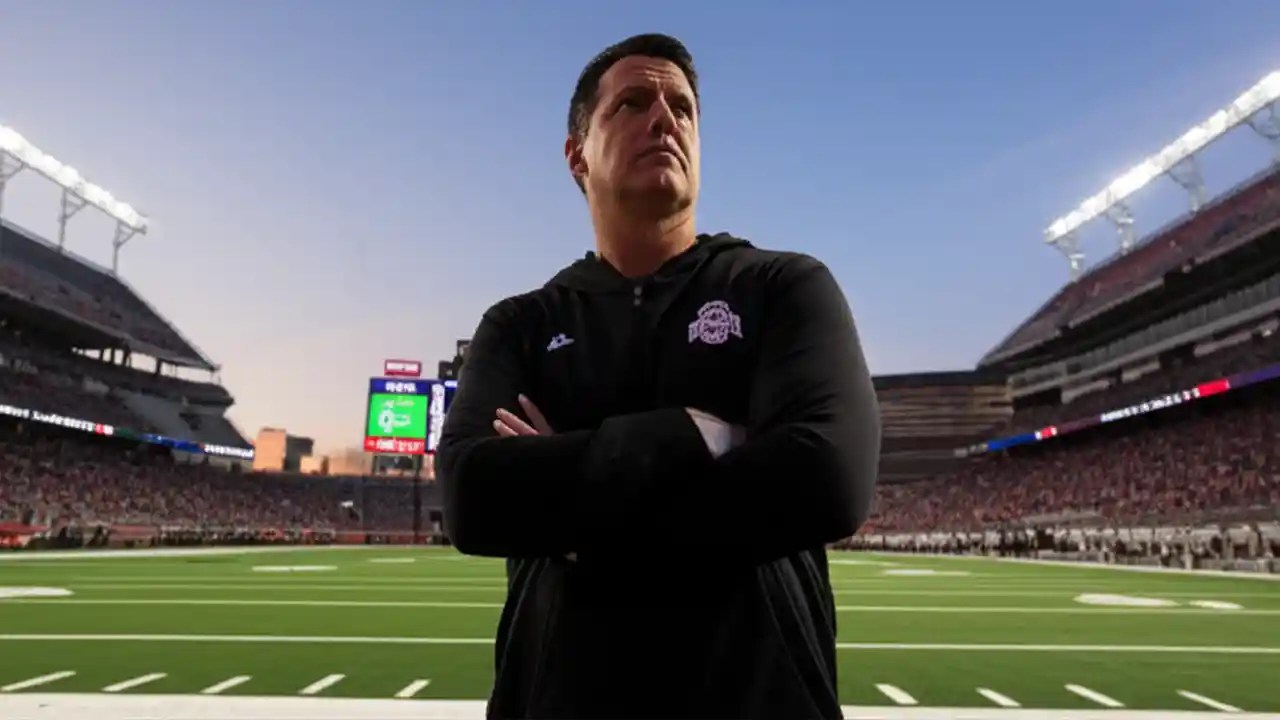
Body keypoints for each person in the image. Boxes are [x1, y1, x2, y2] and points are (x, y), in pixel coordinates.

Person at [437, 33, 881, 720]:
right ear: (576, 154)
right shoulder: (519, 323)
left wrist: (571, 514)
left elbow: (827, 478)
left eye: (682, 108)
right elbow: (472, 496)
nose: (665, 119)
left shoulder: (783, 287)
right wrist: (698, 437)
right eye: (634, 103)